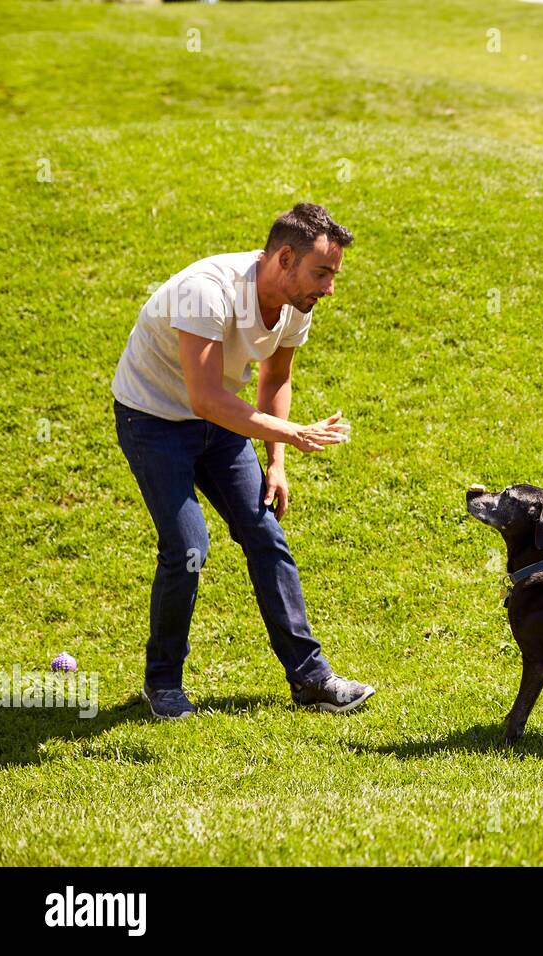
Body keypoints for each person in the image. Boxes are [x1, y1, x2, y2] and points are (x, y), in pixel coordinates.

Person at [111, 202, 373, 718]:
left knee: (264, 534)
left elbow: (275, 378)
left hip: (221, 423)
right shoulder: (205, 290)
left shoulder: (297, 304)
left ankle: (310, 678)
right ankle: (162, 682)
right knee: (188, 547)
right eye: (322, 273)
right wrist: (293, 433)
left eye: (334, 275)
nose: (329, 288)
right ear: (283, 258)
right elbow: (205, 397)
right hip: (154, 420)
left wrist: (277, 460)